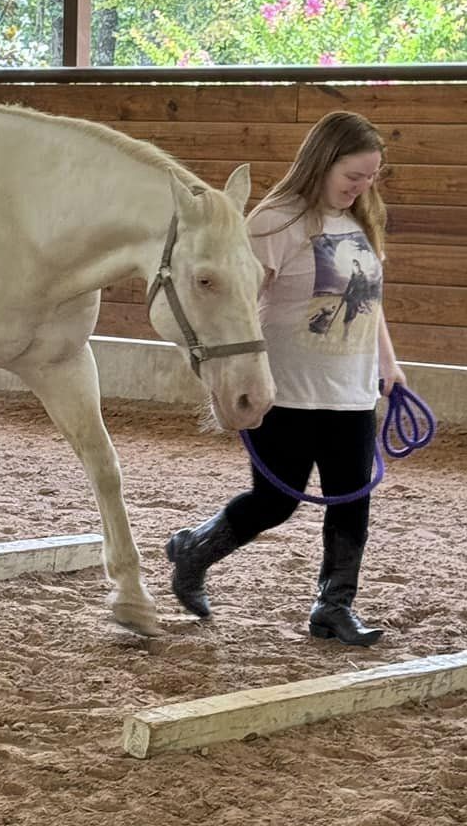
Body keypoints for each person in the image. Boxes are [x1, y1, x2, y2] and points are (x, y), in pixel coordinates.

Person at [164, 109, 404, 646]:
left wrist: (388, 364)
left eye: (371, 177)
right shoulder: (275, 222)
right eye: (353, 176)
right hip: (287, 391)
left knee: (352, 503)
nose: (362, 187)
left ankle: (334, 606)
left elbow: (368, 298)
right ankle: (195, 550)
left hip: (351, 393)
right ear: (323, 162)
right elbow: (236, 302)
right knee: (276, 501)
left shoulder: (360, 222)